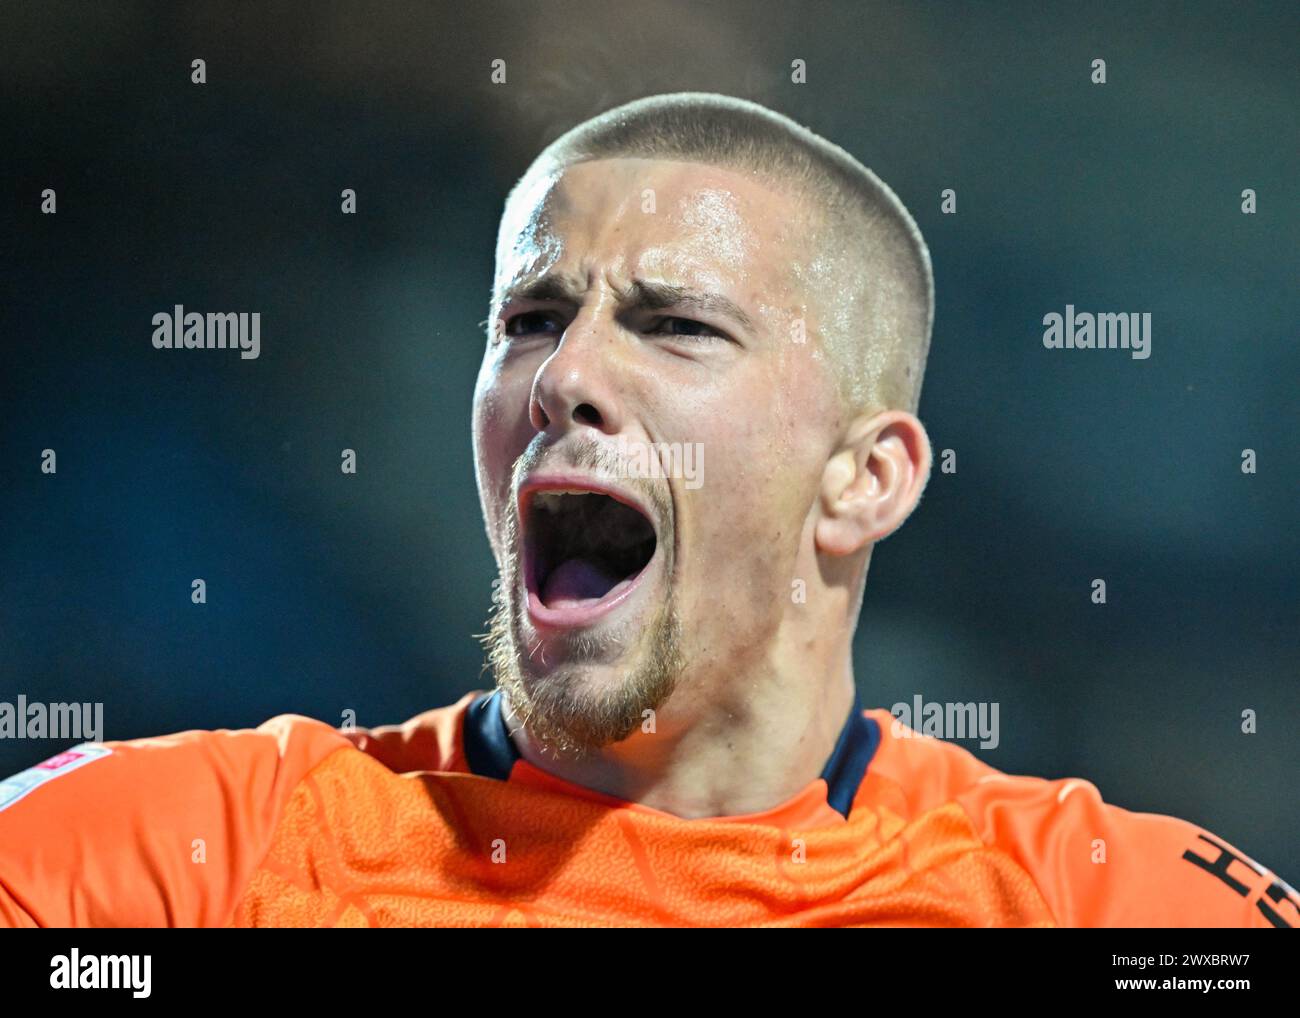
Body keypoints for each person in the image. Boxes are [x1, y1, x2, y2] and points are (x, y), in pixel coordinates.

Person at [1, 93, 1293, 928]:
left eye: (675, 325)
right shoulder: (183, 862)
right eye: (530, 321)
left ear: (867, 477)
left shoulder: (1107, 908)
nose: (563, 377)